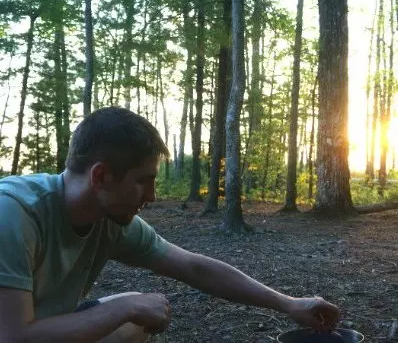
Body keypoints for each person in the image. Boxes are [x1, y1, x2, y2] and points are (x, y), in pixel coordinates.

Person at [0, 107, 339, 342]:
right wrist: (125, 306)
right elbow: (14, 337)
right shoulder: (13, 215)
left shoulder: (110, 219)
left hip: (34, 330)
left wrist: (289, 303)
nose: (151, 196)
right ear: (100, 176)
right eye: (142, 181)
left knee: (133, 318)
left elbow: (193, 267)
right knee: (131, 307)